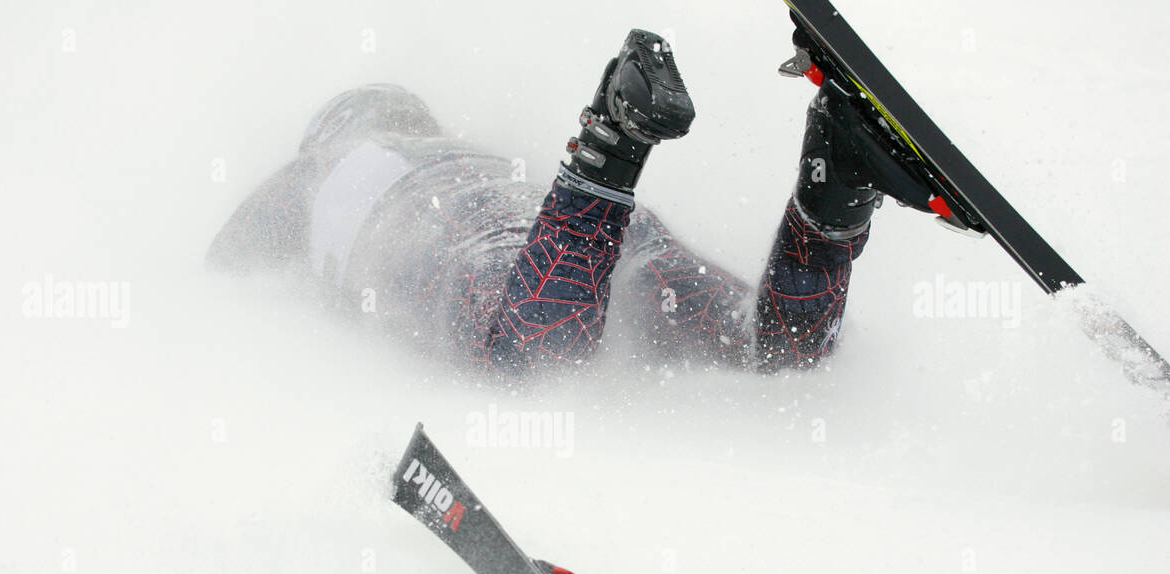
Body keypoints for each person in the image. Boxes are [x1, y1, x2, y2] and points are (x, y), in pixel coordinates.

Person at [206, 27, 944, 380]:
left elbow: (226, 260)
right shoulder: (469, 150)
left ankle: (612, 142)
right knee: (775, 358)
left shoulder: (327, 163)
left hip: (497, 244)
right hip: (586, 239)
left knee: (526, 356)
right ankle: (838, 178)